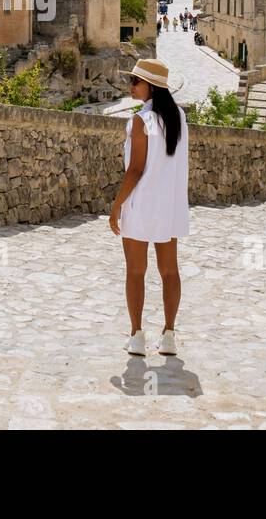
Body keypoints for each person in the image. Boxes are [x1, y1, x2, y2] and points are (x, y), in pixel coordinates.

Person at [109, 58, 189, 357]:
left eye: (135, 81)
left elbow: (135, 170)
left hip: (141, 204)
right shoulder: (178, 117)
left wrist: (116, 205)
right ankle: (168, 335)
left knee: (136, 271)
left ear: (150, 86)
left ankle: (137, 335)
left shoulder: (140, 121)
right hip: (168, 204)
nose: (131, 86)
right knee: (169, 271)